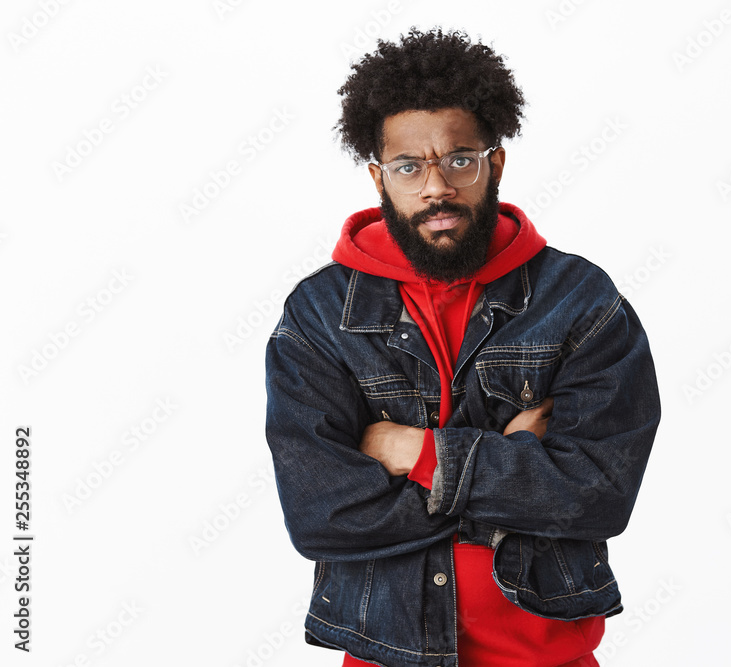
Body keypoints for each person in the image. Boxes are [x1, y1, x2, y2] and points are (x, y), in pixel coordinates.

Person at [264, 27, 660, 667]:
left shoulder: (579, 301)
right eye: (409, 166)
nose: (436, 187)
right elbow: (320, 513)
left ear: (493, 164)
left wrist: (411, 451)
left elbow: (597, 494)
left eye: (458, 159)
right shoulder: (318, 316)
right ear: (378, 178)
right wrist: (514, 463)